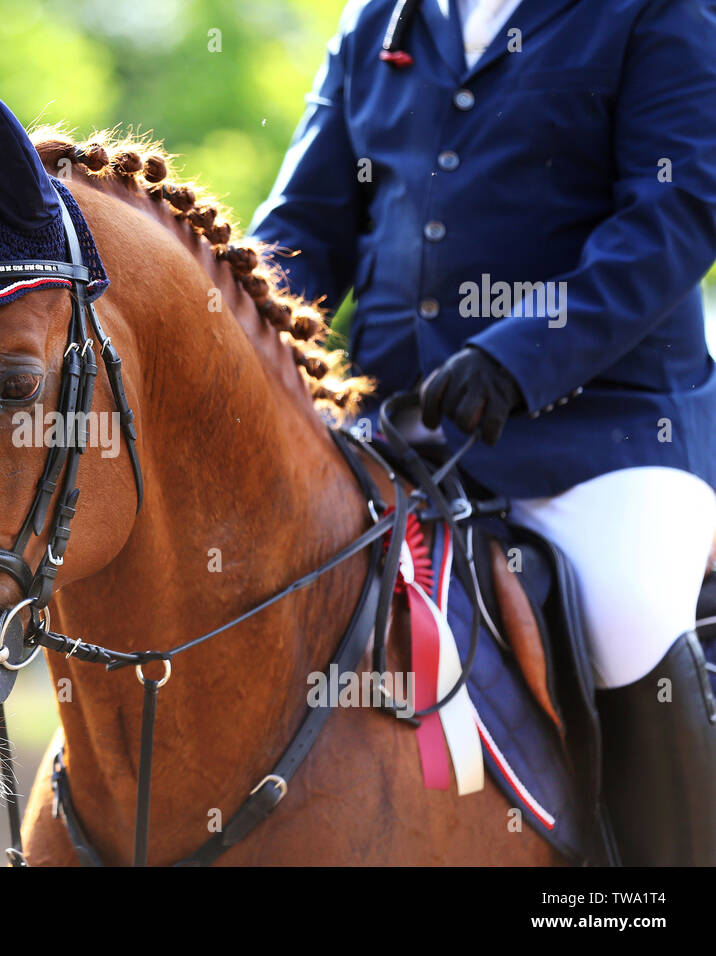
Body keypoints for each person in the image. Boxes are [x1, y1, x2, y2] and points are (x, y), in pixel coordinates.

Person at [249, 0, 716, 864]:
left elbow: (674, 213)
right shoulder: (378, 19)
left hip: (604, 429)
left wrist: (522, 353)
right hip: (394, 428)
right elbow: (302, 229)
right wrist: (227, 337)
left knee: (630, 617)